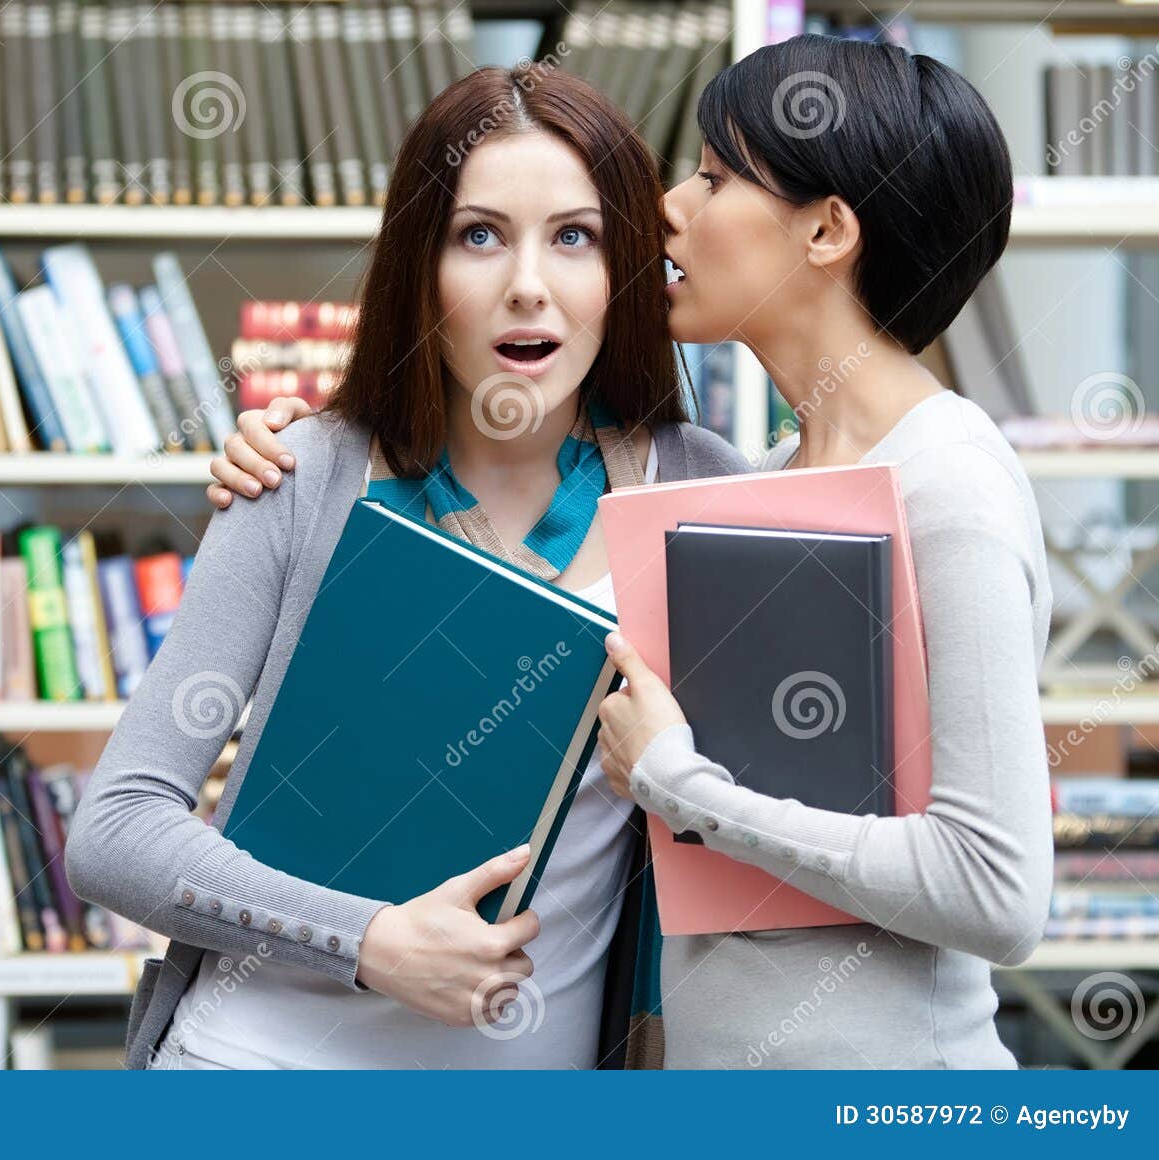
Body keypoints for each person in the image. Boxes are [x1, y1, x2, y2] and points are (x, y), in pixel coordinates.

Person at [208, 35, 1054, 1068]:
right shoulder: (755, 478)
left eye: (711, 177)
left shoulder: (949, 486)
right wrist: (307, 444)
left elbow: (996, 890)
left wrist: (674, 780)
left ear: (827, 230)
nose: (667, 209)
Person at [65, 61, 745, 1071]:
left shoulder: (704, 491)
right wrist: (368, 943)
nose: (527, 284)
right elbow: (115, 831)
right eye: (479, 235)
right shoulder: (300, 477)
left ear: (625, 264)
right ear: (417, 266)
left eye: (575, 235)